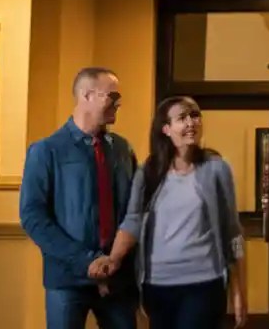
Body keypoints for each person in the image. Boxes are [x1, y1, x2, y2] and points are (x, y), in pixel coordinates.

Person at [105, 96, 248, 329]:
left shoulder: (216, 168)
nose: (191, 123)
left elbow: (233, 233)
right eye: (182, 118)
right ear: (166, 128)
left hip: (203, 283)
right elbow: (132, 221)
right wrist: (112, 260)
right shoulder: (148, 171)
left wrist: (239, 291)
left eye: (195, 115)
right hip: (157, 286)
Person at [20, 68, 138, 329]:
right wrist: (86, 260)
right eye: (112, 96)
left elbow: (135, 210)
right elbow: (33, 217)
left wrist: (115, 260)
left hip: (118, 277)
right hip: (67, 279)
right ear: (86, 95)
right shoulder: (46, 151)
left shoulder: (122, 149)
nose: (119, 103)